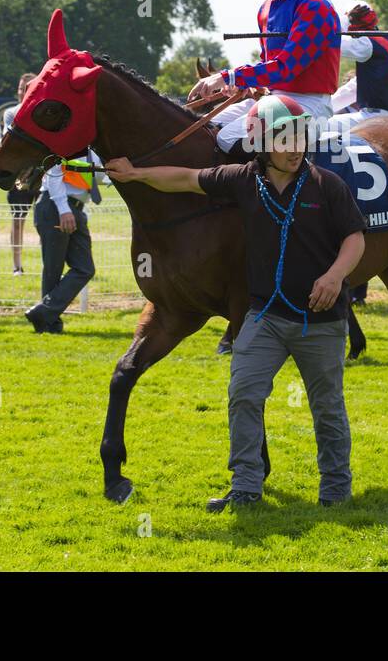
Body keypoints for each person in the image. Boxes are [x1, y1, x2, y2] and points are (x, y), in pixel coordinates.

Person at [104, 95, 367, 511]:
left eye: (300, 138)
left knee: (327, 409)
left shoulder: (327, 186)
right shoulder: (243, 179)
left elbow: (355, 238)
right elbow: (185, 179)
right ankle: (246, 486)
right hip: (264, 317)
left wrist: (335, 276)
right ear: (262, 143)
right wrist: (135, 174)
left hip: (319, 321)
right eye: (284, 139)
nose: (295, 147)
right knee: (243, 394)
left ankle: (335, 490)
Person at [191, 0, 341, 155]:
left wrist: (230, 77)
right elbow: (268, 66)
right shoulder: (266, 8)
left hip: (310, 107)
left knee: (228, 138)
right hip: (275, 99)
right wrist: (247, 84)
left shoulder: (314, 5)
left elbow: (285, 68)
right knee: (205, 127)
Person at [24, 150, 101, 333]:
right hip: (57, 207)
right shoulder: (68, 145)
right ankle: (49, 323)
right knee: (53, 269)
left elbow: (96, 176)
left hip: (74, 208)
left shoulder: (95, 150)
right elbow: (54, 174)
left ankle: (43, 313)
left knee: (85, 268)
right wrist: (63, 209)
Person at [328, 3, 388, 134]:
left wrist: (343, 21)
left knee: (314, 125)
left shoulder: (367, 44)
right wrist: (326, 107)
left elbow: (330, 42)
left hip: (375, 118)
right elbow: (352, 89)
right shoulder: (387, 43)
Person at [1, 72, 37, 276]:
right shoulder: (11, 114)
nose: (22, 93)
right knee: (18, 222)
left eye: (27, 88)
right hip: (20, 178)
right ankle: (17, 266)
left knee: (46, 223)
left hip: (42, 177)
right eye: (21, 89)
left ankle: (48, 264)